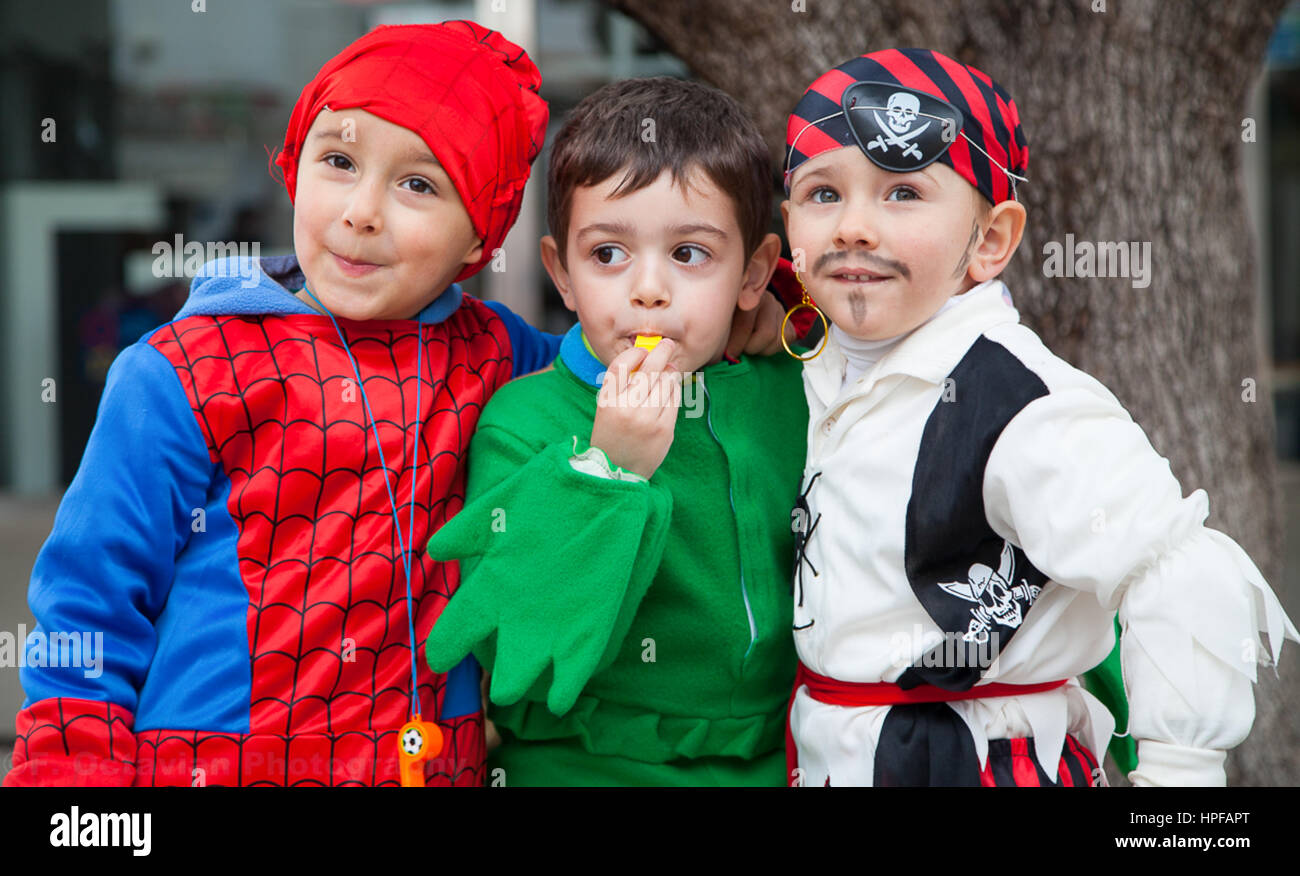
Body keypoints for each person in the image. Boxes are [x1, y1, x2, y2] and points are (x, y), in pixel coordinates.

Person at [5, 21, 562, 787]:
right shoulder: (181, 370)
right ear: (295, 168)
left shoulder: (499, 356)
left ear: (479, 238)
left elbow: (624, 345)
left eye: (418, 184)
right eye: (338, 159)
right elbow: (88, 604)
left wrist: (766, 311)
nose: (362, 210)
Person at [780, 48, 1298, 786]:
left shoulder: (1018, 402)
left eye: (902, 193)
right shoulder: (818, 370)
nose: (854, 227)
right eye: (822, 193)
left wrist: (1180, 782)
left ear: (990, 239)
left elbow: (1176, 570)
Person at [424, 77, 809, 785]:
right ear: (561, 276)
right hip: (583, 768)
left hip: (780, 762)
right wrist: (609, 469)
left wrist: (795, 306)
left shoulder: (798, 387)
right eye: (607, 255)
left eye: (691, 254)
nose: (648, 290)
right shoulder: (524, 420)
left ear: (754, 272)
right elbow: (519, 657)